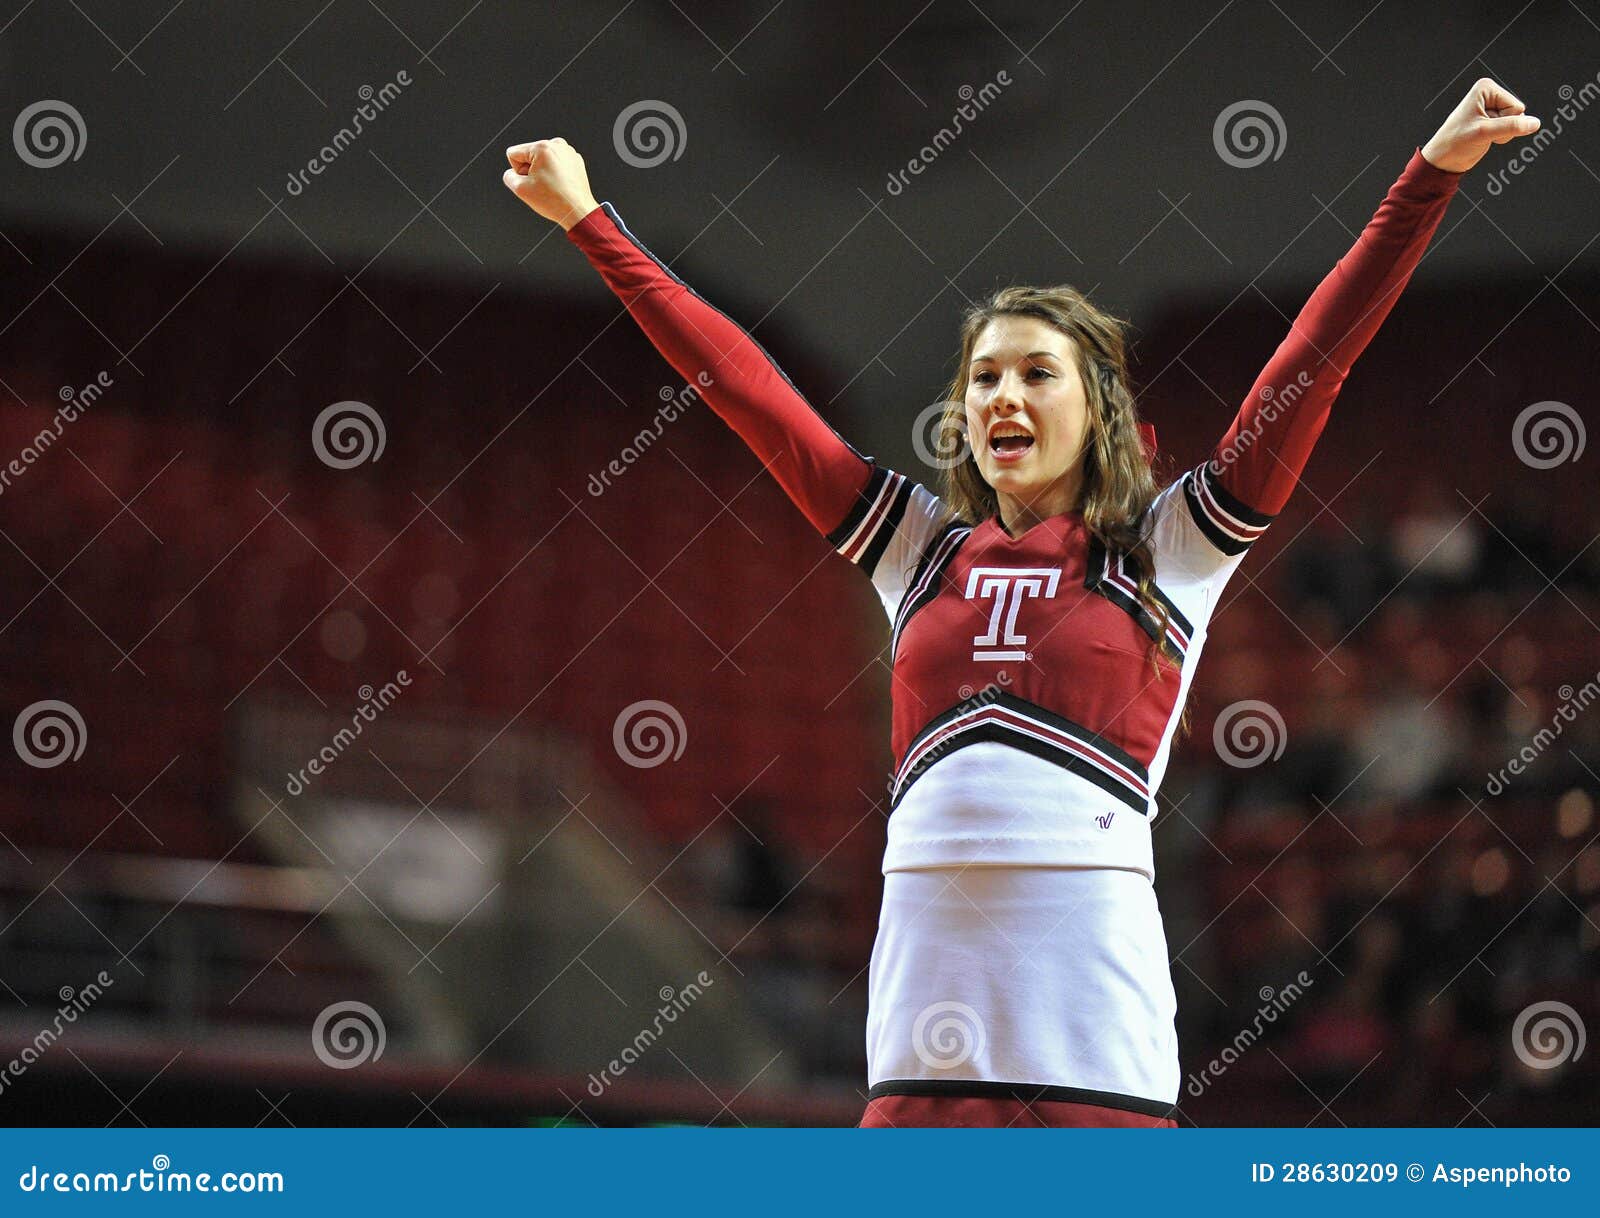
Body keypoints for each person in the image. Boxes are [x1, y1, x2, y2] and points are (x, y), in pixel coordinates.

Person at [501, 78, 1542, 1128]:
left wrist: (1429, 176)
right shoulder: (914, 549)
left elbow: (1313, 363)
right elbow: (748, 393)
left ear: (1099, 411)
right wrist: (592, 224)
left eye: (1037, 374)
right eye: (984, 376)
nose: (1002, 394)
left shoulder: (1169, 550)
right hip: (920, 1033)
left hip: (1089, 1036)